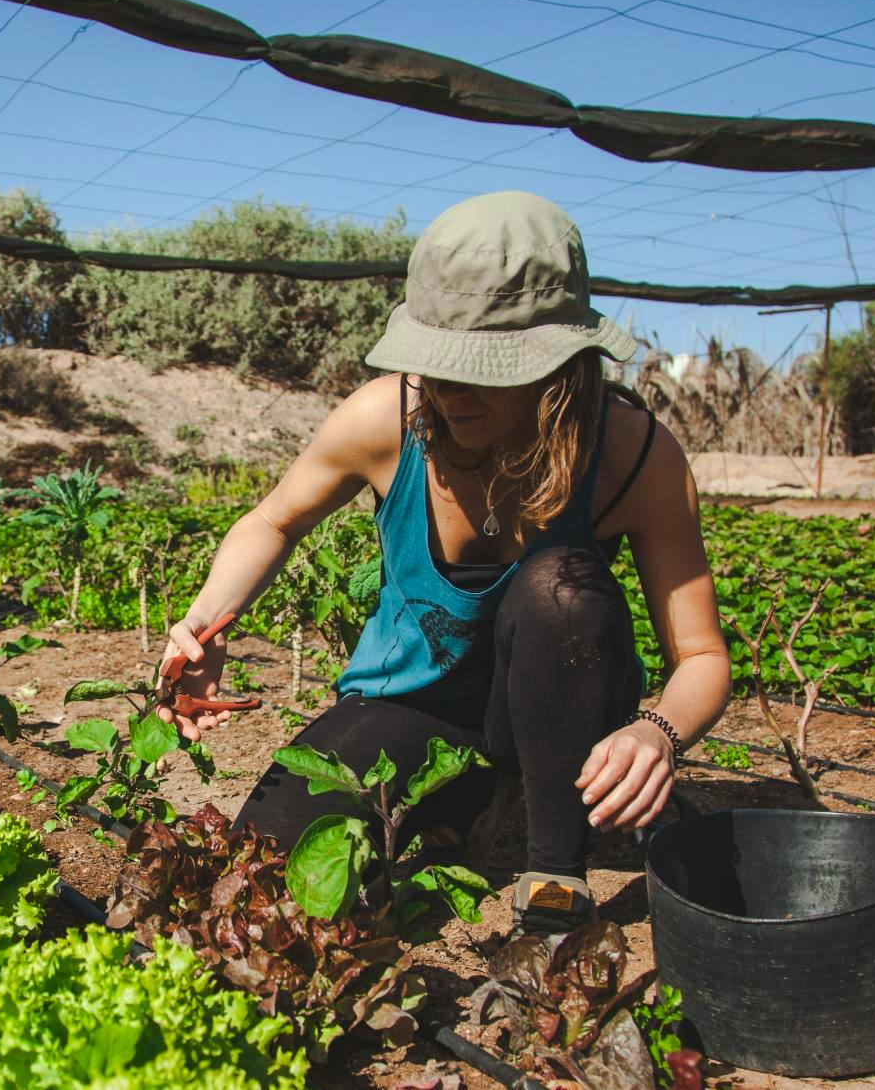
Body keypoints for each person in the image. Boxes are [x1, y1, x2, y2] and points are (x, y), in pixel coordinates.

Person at [162, 191, 730, 936]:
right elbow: (275, 520)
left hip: (561, 706)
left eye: (485, 370)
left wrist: (656, 732)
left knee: (562, 590)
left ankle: (556, 867)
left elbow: (702, 657)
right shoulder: (385, 418)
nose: (450, 390)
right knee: (262, 878)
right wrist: (206, 621)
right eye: (436, 363)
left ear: (560, 364)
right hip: (411, 702)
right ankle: (474, 797)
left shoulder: (632, 454)